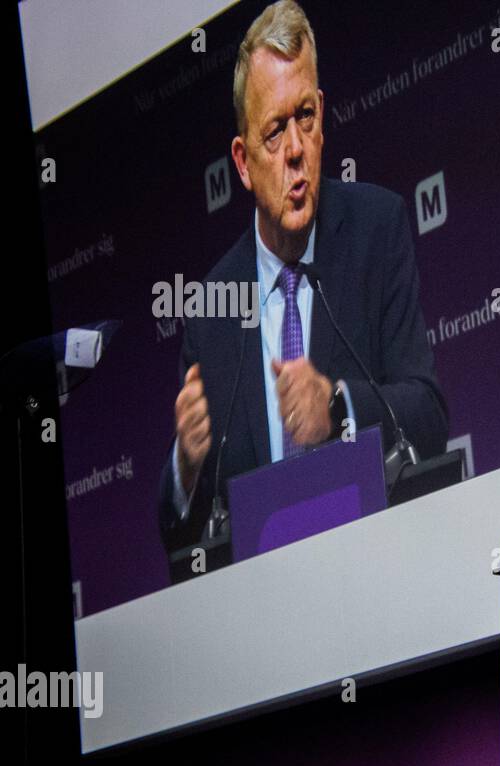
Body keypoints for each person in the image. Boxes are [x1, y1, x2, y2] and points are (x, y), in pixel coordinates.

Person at [159, 1, 448, 553]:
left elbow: (429, 415)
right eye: (274, 132)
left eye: (306, 118)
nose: (296, 149)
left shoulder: (376, 231)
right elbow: (178, 533)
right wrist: (186, 464)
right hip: (263, 609)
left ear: (322, 115)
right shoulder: (211, 310)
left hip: (376, 566)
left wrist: (339, 406)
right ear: (242, 163)